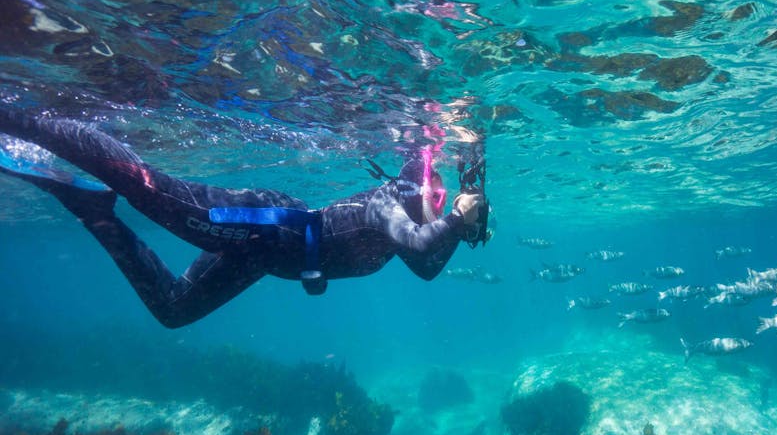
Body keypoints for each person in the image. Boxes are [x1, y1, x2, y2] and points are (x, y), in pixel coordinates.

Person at [0, 106, 484, 328]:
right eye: (437, 195)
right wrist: (459, 218)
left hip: (263, 258)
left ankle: (95, 213)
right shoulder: (386, 206)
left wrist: (471, 197)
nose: (439, 203)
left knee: (173, 310)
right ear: (415, 187)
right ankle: (23, 121)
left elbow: (425, 266)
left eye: (443, 200)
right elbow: (423, 244)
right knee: (148, 190)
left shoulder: (411, 231)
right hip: (265, 224)